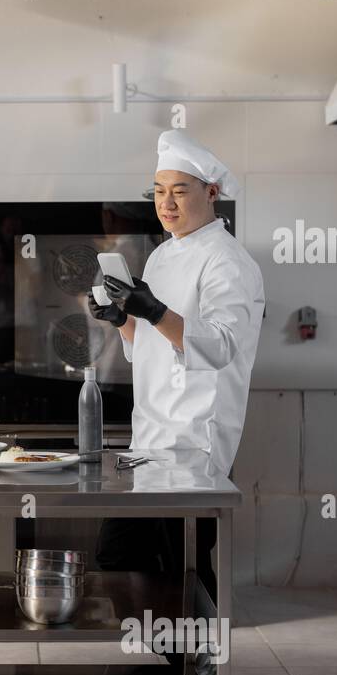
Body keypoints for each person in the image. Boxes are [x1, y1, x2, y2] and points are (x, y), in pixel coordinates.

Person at [88, 130, 265, 595]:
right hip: (150, 438)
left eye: (179, 191)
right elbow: (150, 347)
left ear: (211, 192)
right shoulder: (165, 254)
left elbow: (220, 347)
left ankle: (200, 664)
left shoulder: (228, 262)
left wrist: (154, 312)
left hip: (193, 441)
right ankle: (158, 660)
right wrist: (123, 320)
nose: (166, 203)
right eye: (159, 192)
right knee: (120, 556)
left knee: (181, 564)